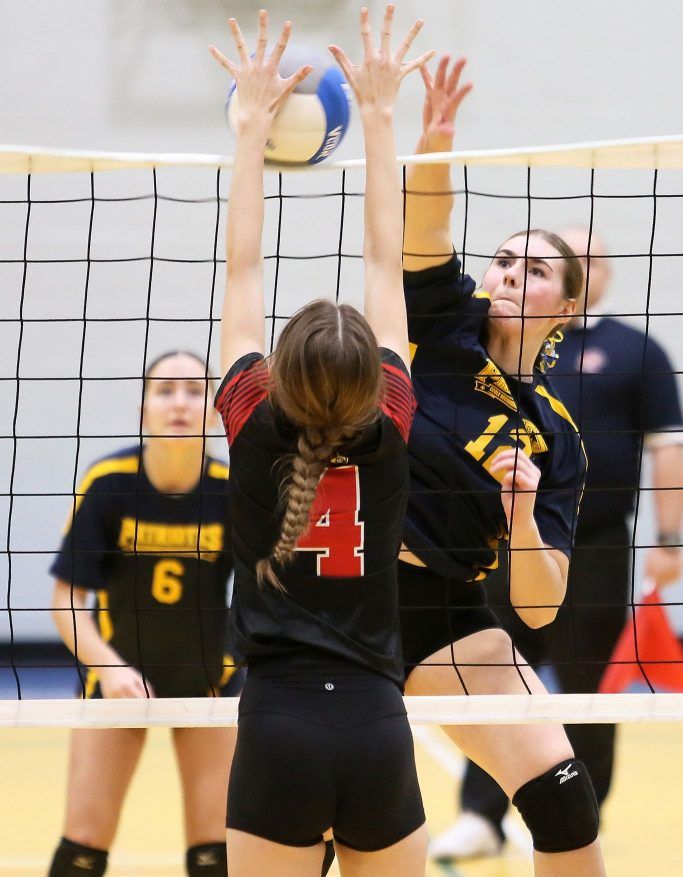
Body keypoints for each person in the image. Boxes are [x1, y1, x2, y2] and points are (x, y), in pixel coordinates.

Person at [209, 8, 433, 876]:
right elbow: (387, 264)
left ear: (279, 368)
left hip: (277, 728)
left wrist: (248, 132)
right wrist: (380, 119)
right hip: (377, 724)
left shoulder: (251, 416)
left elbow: (241, 270)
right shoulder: (394, 421)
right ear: (378, 380)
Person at [398, 56, 608, 875]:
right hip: (344, 592)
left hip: (445, 611)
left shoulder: (555, 436)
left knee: (562, 797)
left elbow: (539, 601)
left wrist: (521, 515)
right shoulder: (445, 326)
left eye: (537, 268)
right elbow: (424, 229)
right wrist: (436, 140)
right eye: (504, 260)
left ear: (568, 304)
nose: (512, 273)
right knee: (332, 821)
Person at [432, 227, 683, 860]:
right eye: (508, 262)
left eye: (588, 257)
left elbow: (670, 449)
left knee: (587, 685)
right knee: (494, 670)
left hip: (596, 542)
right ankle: (480, 816)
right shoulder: (478, 343)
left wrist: (669, 539)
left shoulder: (638, 350)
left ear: (582, 285)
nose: (517, 274)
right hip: (493, 540)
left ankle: (580, 814)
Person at [48, 350, 240, 877]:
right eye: (165, 390)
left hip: (209, 683)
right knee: (82, 848)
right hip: (117, 678)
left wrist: (229, 664)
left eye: (195, 391)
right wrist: (108, 670)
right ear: (143, 409)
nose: (179, 403)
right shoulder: (110, 483)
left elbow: (265, 595)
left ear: (215, 410)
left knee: (215, 854)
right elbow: (67, 600)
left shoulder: (232, 490)